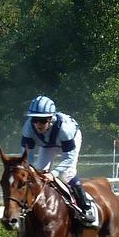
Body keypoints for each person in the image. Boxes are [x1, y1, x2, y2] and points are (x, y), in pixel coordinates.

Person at [20, 95, 96, 227]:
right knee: (38, 172)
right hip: (48, 144)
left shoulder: (64, 129)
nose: (38, 124)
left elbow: (69, 159)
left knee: (67, 174)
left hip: (70, 139)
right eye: (35, 120)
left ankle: (86, 207)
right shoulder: (28, 128)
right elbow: (26, 158)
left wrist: (53, 173)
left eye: (43, 121)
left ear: (51, 119)